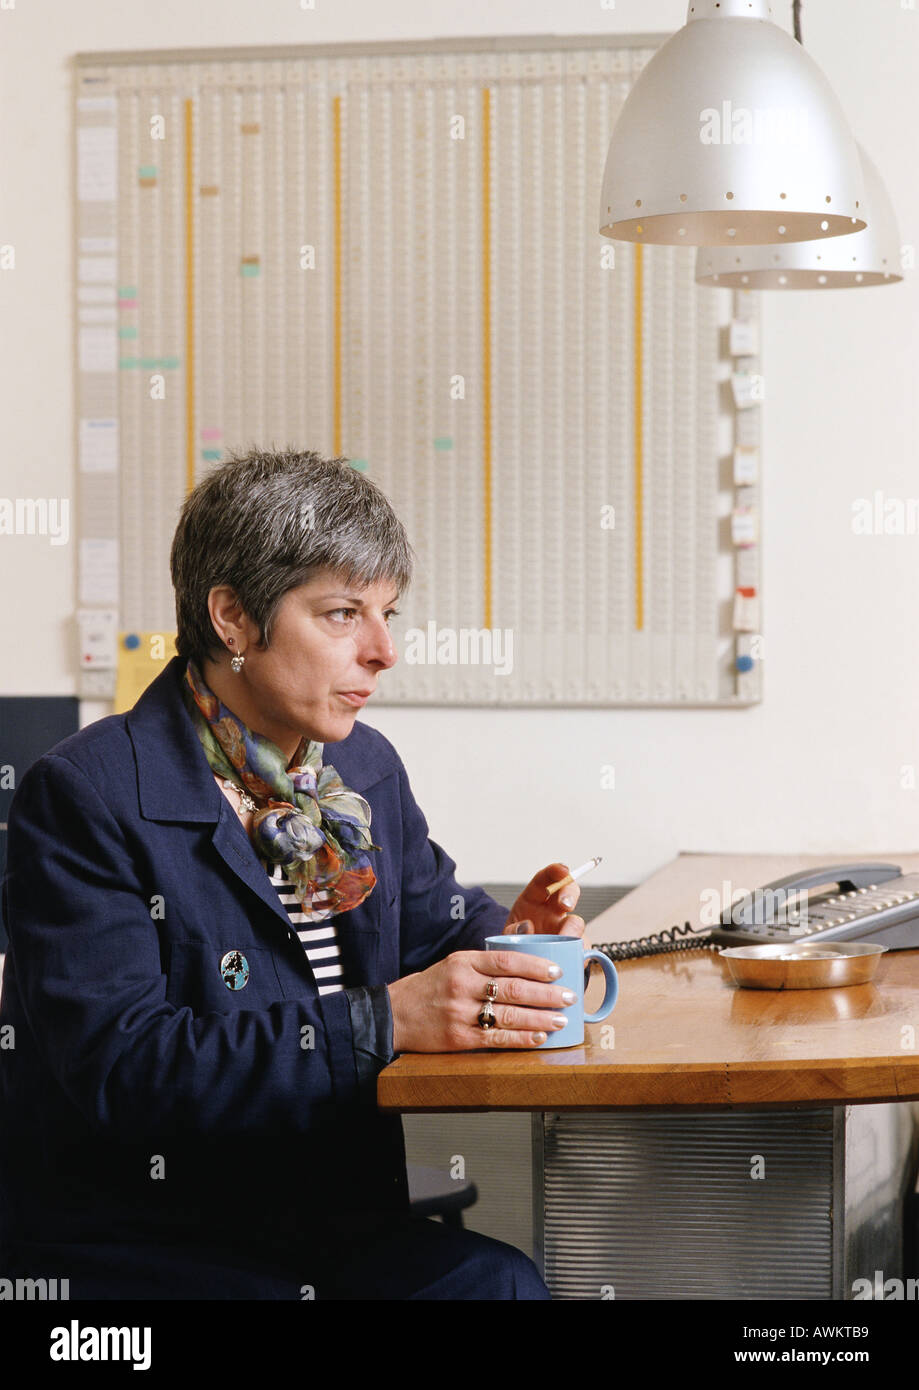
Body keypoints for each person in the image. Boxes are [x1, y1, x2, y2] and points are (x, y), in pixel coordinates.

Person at [0, 448, 586, 1300]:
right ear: (233, 620)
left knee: (497, 1285)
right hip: (144, 1246)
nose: (384, 651)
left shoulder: (359, 773)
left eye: (389, 612)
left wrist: (515, 944)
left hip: (331, 1220)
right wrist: (382, 1022)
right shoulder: (87, 795)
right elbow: (125, 1071)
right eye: (344, 613)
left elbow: (432, 928)